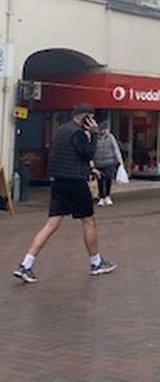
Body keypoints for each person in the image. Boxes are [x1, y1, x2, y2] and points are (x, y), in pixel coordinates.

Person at [13, 104, 117, 284]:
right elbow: (87, 153)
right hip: (75, 183)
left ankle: (26, 264)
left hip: (59, 182)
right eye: (91, 118)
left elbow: (69, 156)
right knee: (88, 221)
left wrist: (89, 170)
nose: (93, 122)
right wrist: (93, 134)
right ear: (85, 117)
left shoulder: (61, 131)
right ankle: (96, 263)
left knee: (51, 224)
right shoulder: (78, 133)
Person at [93, 121, 124, 207]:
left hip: (109, 162)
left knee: (108, 179)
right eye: (100, 130)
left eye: (103, 130)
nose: (101, 131)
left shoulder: (110, 137)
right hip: (98, 162)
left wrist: (120, 160)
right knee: (100, 180)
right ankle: (101, 197)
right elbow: (92, 150)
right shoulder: (95, 138)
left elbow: (115, 149)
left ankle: (107, 196)